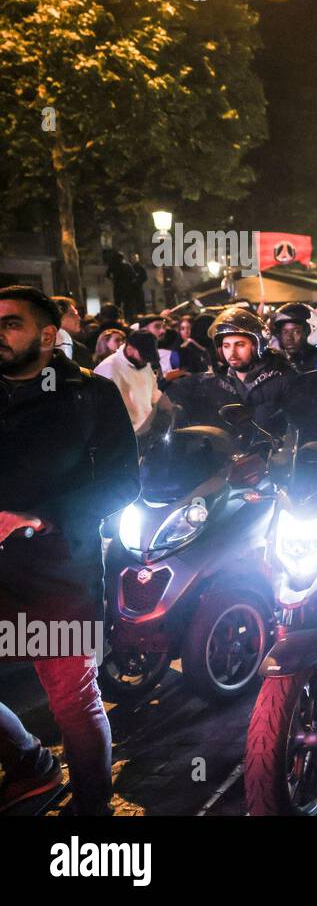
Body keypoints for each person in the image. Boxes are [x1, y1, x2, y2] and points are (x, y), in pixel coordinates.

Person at [0, 286, 140, 815]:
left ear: (47, 334)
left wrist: (42, 517)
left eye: (11, 324)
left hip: (59, 572)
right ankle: (31, 766)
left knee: (74, 703)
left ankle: (90, 816)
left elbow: (124, 483)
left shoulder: (88, 395)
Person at [160, 307, 296, 438]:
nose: (231, 353)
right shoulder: (217, 382)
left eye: (240, 345)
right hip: (232, 458)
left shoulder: (284, 379)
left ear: (257, 346)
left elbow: (300, 426)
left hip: (271, 456)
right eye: (226, 346)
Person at [93, 329, 162, 434]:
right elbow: (103, 410)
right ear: (129, 349)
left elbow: (153, 391)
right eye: (143, 356)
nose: (146, 361)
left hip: (146, 431)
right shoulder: (108, 368)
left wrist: (166, 405)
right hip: (122, 435)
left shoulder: (143, 363)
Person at [270, 303, 317, 373]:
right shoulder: (279, 364)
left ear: (312, 331)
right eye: (285, 332)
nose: (289, 338)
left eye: (296, 331)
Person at [51, 297, 93, 368]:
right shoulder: (42, 351)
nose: (79, 318)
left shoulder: (81, 350)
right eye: (72, 314)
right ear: (57, 317)